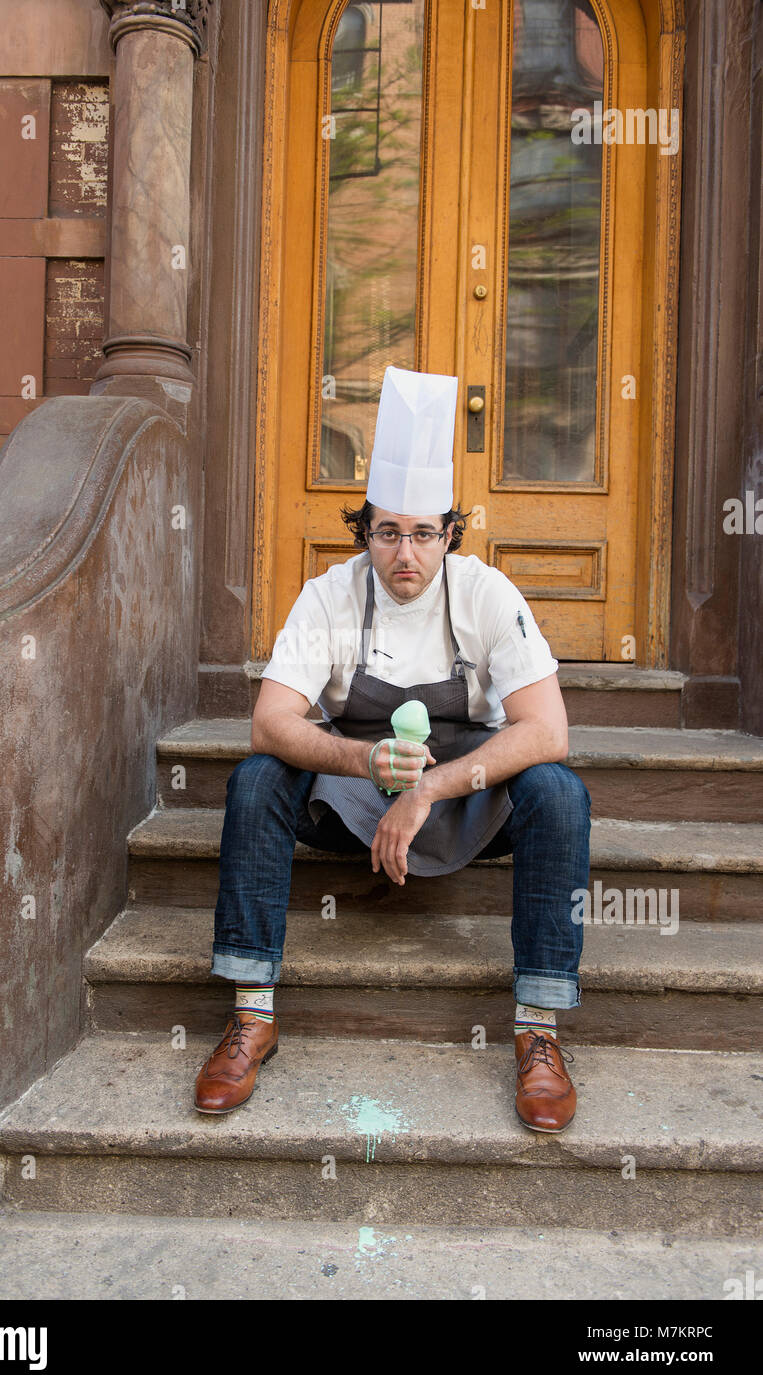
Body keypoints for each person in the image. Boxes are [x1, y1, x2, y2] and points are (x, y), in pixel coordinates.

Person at [193, 366, 591, 1131]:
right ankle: (251, 1015)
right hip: (352, 789)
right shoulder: (329, 595)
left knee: (558, 791)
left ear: (449, 533)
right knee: (256, 778)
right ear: (364, 532)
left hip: (464, 788)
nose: (404, 553)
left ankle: (537, 1029)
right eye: (386, 532)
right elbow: (270, 723)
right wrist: (364, 762)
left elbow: (547, 731)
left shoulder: (485, 593)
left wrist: (428, 789)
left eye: (422, 533)